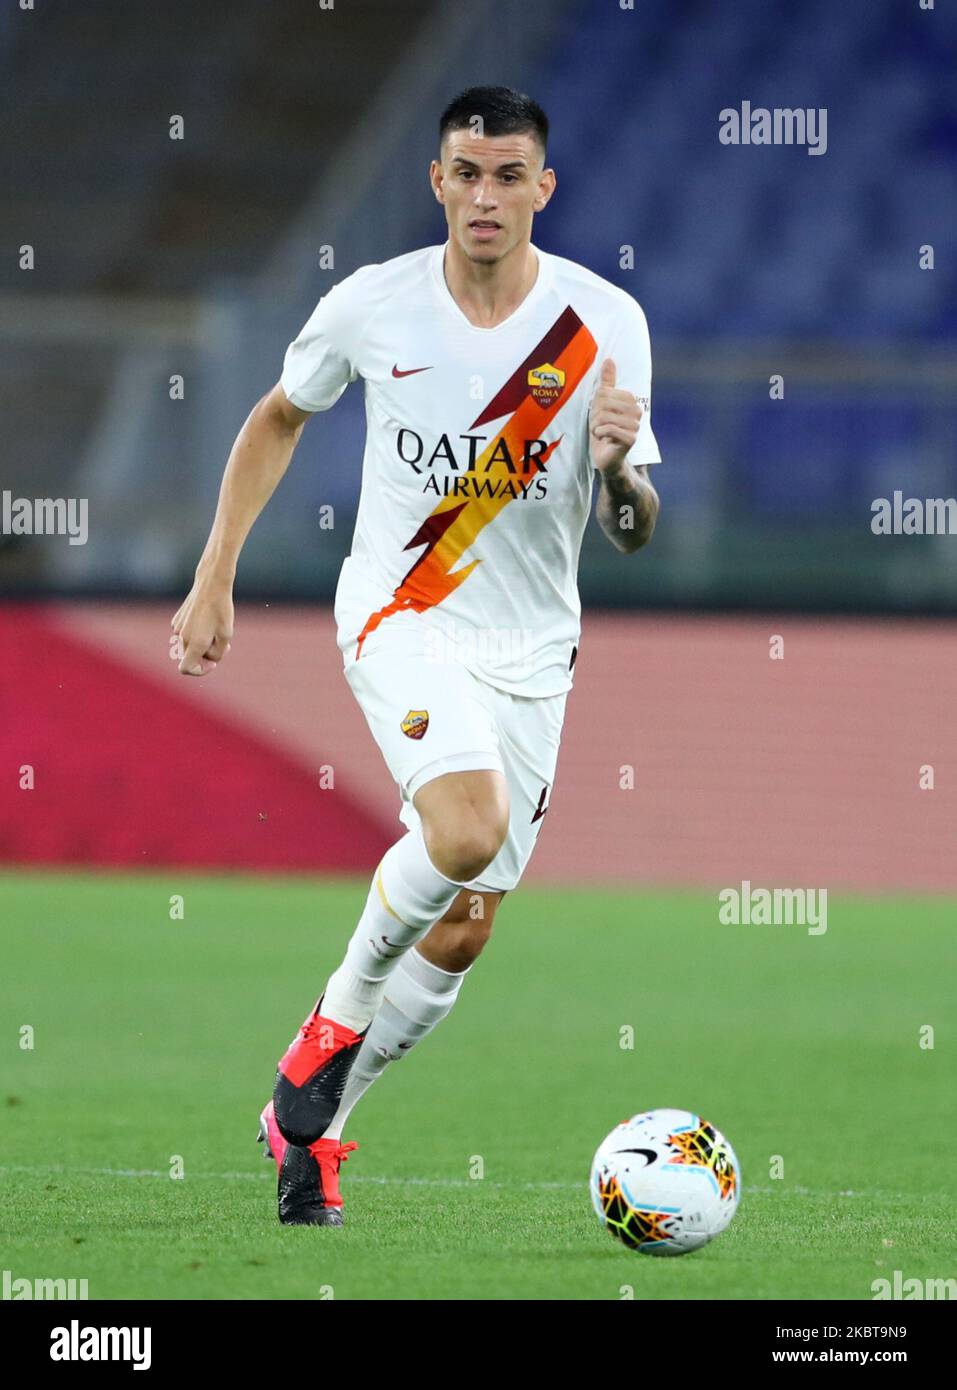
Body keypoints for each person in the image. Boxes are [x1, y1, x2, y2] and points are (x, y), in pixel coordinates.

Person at [171, 85, 662, 1226]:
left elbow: (635, 530)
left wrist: (618, 476)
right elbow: (278, 416)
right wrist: (215, 569)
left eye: (509, 175)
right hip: (400, 611)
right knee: (464, 827)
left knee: (466, 920)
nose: (485, 196)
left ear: (546, 187)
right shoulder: (373, 306)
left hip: (534, 648)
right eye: (465, 173)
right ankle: (327, 1031)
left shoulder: (606, 325)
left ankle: (318, 1128)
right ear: (436, 181)